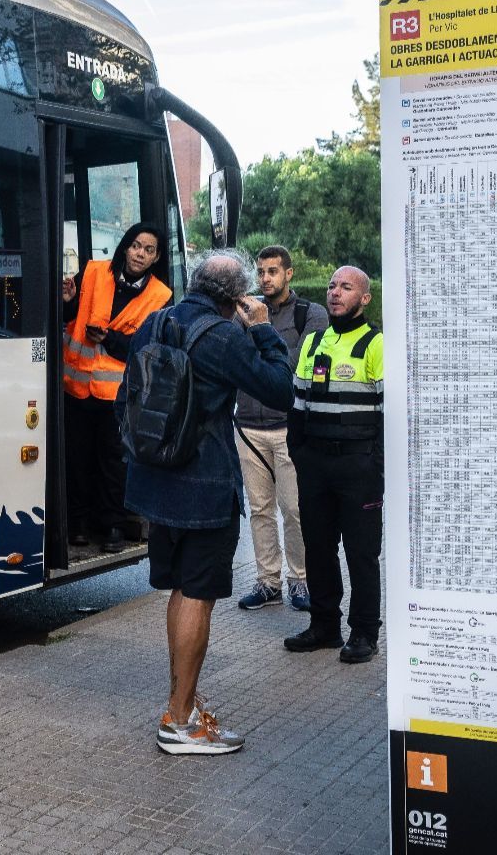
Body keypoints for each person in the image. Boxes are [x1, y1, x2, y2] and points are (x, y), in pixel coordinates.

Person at [117, 249, 295, 754]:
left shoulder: (155, 321)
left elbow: (124, 397)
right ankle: (178, 723)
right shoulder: (223, 336)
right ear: (237, 297)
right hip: (203, 490)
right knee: (198, 593)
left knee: (181, 589)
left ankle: (184, 702)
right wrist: (261, 327)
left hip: (153, 483)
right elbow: (279, 388)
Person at [283, 265, 385, 664]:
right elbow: (297, 404)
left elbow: (387, 413)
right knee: (319, 549)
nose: (335, 292)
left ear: (364, 298)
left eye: (346, 287)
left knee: (362, 553)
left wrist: (373, 464)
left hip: (358, 468)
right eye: (331, 286)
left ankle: (364, 633)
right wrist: (300, 454)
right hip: (316, 467)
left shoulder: (377, 345)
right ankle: (324, 626)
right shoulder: (314, 342)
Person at [61, 223, 173, 552]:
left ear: (156, 258)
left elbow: (150, 347)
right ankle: (79, 523)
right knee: (78, 459)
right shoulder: (94, 272)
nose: (140, 253)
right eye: (136, 246)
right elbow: (69, 316)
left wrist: (109, 338)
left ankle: (111, 524)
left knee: (112, 461)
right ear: (125, 247)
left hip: (117, 396)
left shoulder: (161, 296)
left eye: (148, 250)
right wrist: (68, 300)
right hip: (76, 387)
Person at [234, 245, 327, 613]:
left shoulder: (310, 314)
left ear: (289, 273)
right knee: (259, 509)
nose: (265, 279)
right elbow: (238, 359)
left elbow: (300, 366)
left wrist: (261, 332)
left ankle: (300, 580)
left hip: (289, 426)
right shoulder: (242, 312)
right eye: (260, 272)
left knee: (294, 509)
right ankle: (267, 581)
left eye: (273, 271)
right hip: (248, 426)